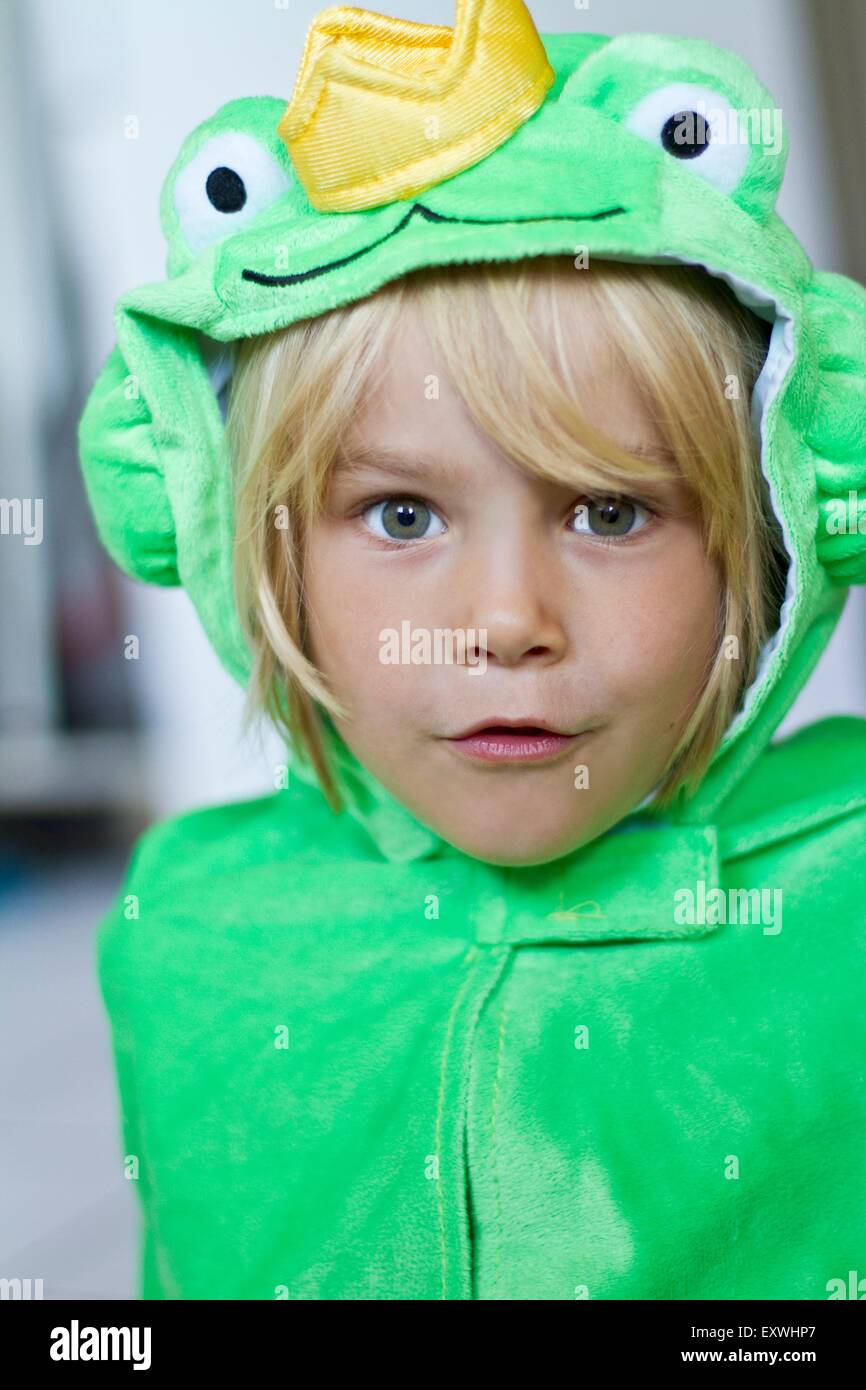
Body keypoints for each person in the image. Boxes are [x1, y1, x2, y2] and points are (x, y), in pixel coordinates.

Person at [78, 1, 866, 1299]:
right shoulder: (191, 939)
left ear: (770, 533)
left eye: (610, 511)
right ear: (264, 553)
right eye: (400, 514)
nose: (504, 619)